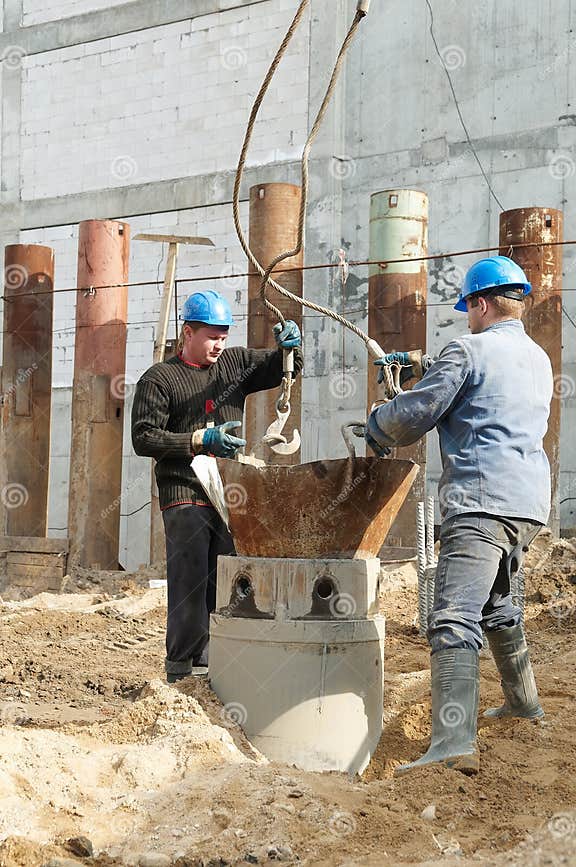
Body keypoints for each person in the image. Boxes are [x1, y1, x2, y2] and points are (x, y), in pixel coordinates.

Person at [365, 256, 553, 775]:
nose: (466, 317)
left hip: (479, 503)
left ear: (481, 304)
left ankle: (452, 742)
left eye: (468, 308)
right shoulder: (537, 358)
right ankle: (523, 703)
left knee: (452, 617)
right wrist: (426, 366)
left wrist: (377, 424)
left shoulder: (467, 350)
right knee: (497, 605)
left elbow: (416, 414)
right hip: (527, 506)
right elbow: (483, 388)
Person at [131, 290, 303, 683]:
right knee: (190, 579)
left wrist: (290, 348)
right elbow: (144, 437)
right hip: (184, 492)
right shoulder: (159, 380)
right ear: (187, 333)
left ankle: (215, 662)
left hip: (228, 492)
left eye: (224, 337)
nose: (219, 345)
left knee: (227, 579)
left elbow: (285, 369)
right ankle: (180, 667)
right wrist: (198, 440)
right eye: (212, 337)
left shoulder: (235, 364)